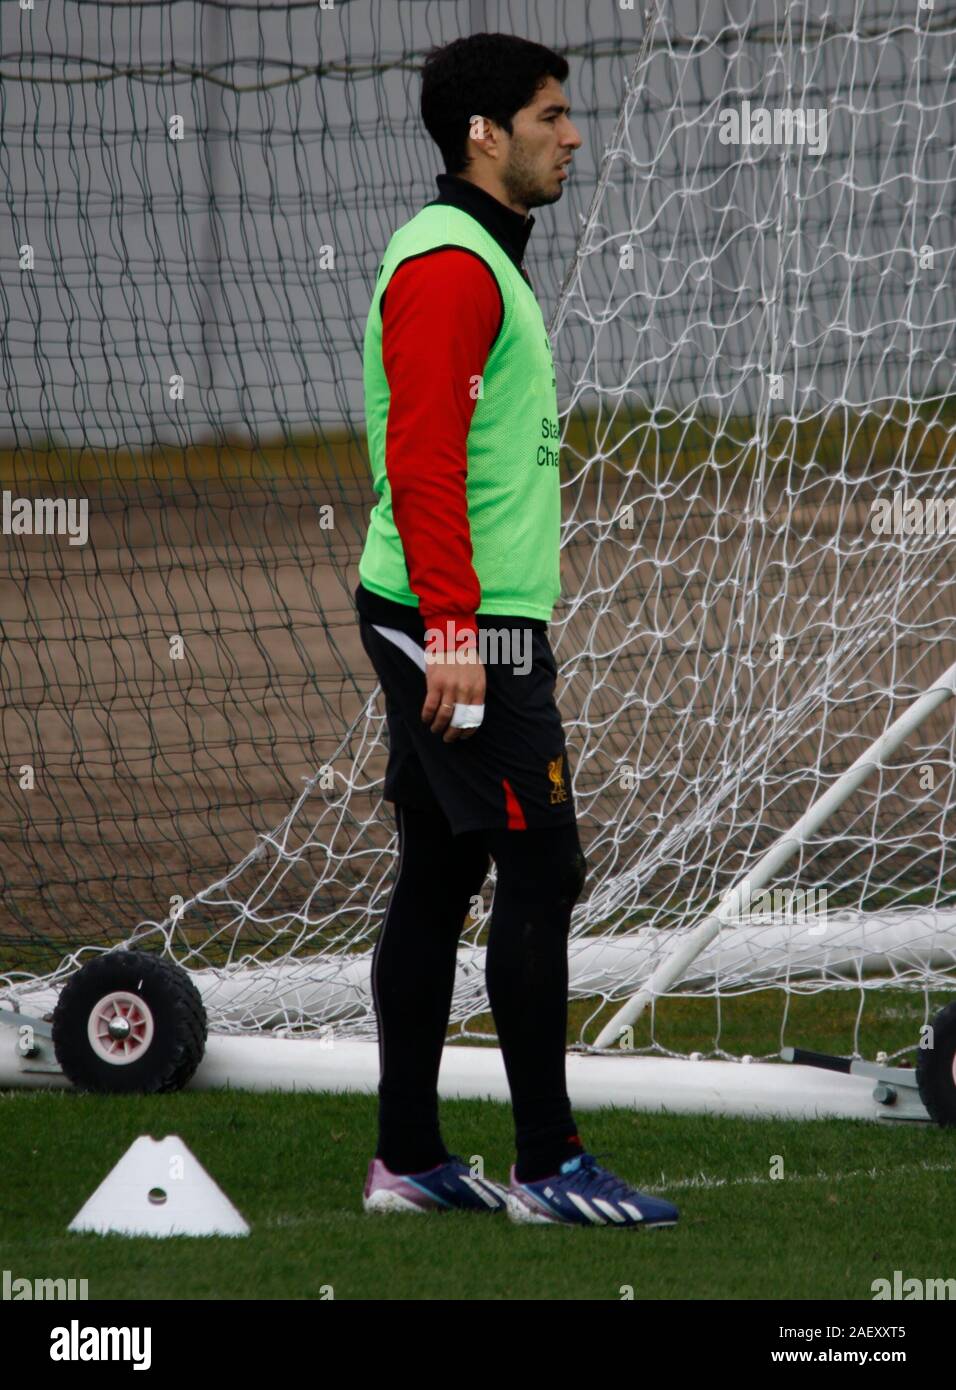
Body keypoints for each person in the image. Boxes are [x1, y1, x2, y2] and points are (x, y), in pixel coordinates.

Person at [354, 31, 678, 1229]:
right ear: (483, 134)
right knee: (542, 864)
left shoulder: (480, 253)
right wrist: (450, 629)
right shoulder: (449, 265)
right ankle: (548, 1165)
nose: (571, 133)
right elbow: (423, 456)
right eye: (550, 114)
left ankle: (408, 1160)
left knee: (441, 870)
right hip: (458, 626)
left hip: (464, 616)